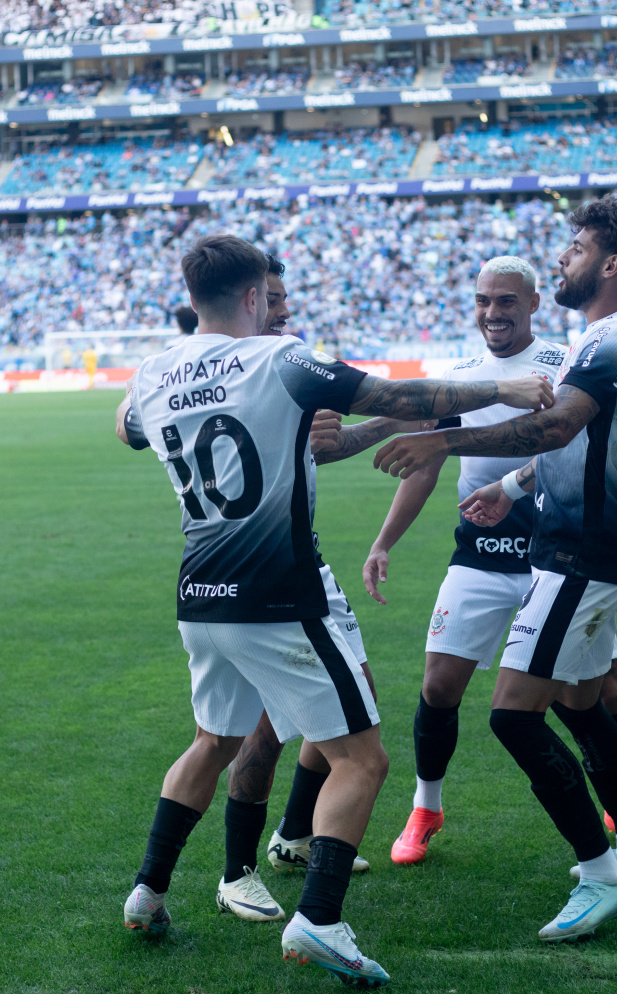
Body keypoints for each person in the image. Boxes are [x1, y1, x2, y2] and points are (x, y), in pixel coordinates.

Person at [115, 233, 553, 986]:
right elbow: (400, 398)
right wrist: (502, 389)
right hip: (279, 590)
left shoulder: (152, 373)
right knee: (362, 757)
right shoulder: (280, 356)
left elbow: (125, 428)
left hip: (200, 591)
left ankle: (148, 890)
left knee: (211, 741)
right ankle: (318, 920)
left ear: (191, 299)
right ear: (255, 296)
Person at [373, 193, 617, 942]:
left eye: (573, 248)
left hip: (580, 552)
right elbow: (564, 450)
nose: (562, 257)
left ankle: (601, 876)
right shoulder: (609, 332)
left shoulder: (616, 337)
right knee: (580, 704)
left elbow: (556, 424)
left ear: (609, 264)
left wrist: (445, 446)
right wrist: (508, 488)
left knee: (512, 714)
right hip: (579, 545)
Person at [216, 252, 433, 923]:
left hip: (305, 575)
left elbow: (320, 452)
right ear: (246, 301)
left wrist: (385, 427)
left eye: (285, 300)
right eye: (273, 300)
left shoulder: (285, 366)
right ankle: (237, 872)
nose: (284, 311)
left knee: (343, 707)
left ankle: (294, 837)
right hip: (266, 582)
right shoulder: (245, 375)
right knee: (270, 730)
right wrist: (427, 403)